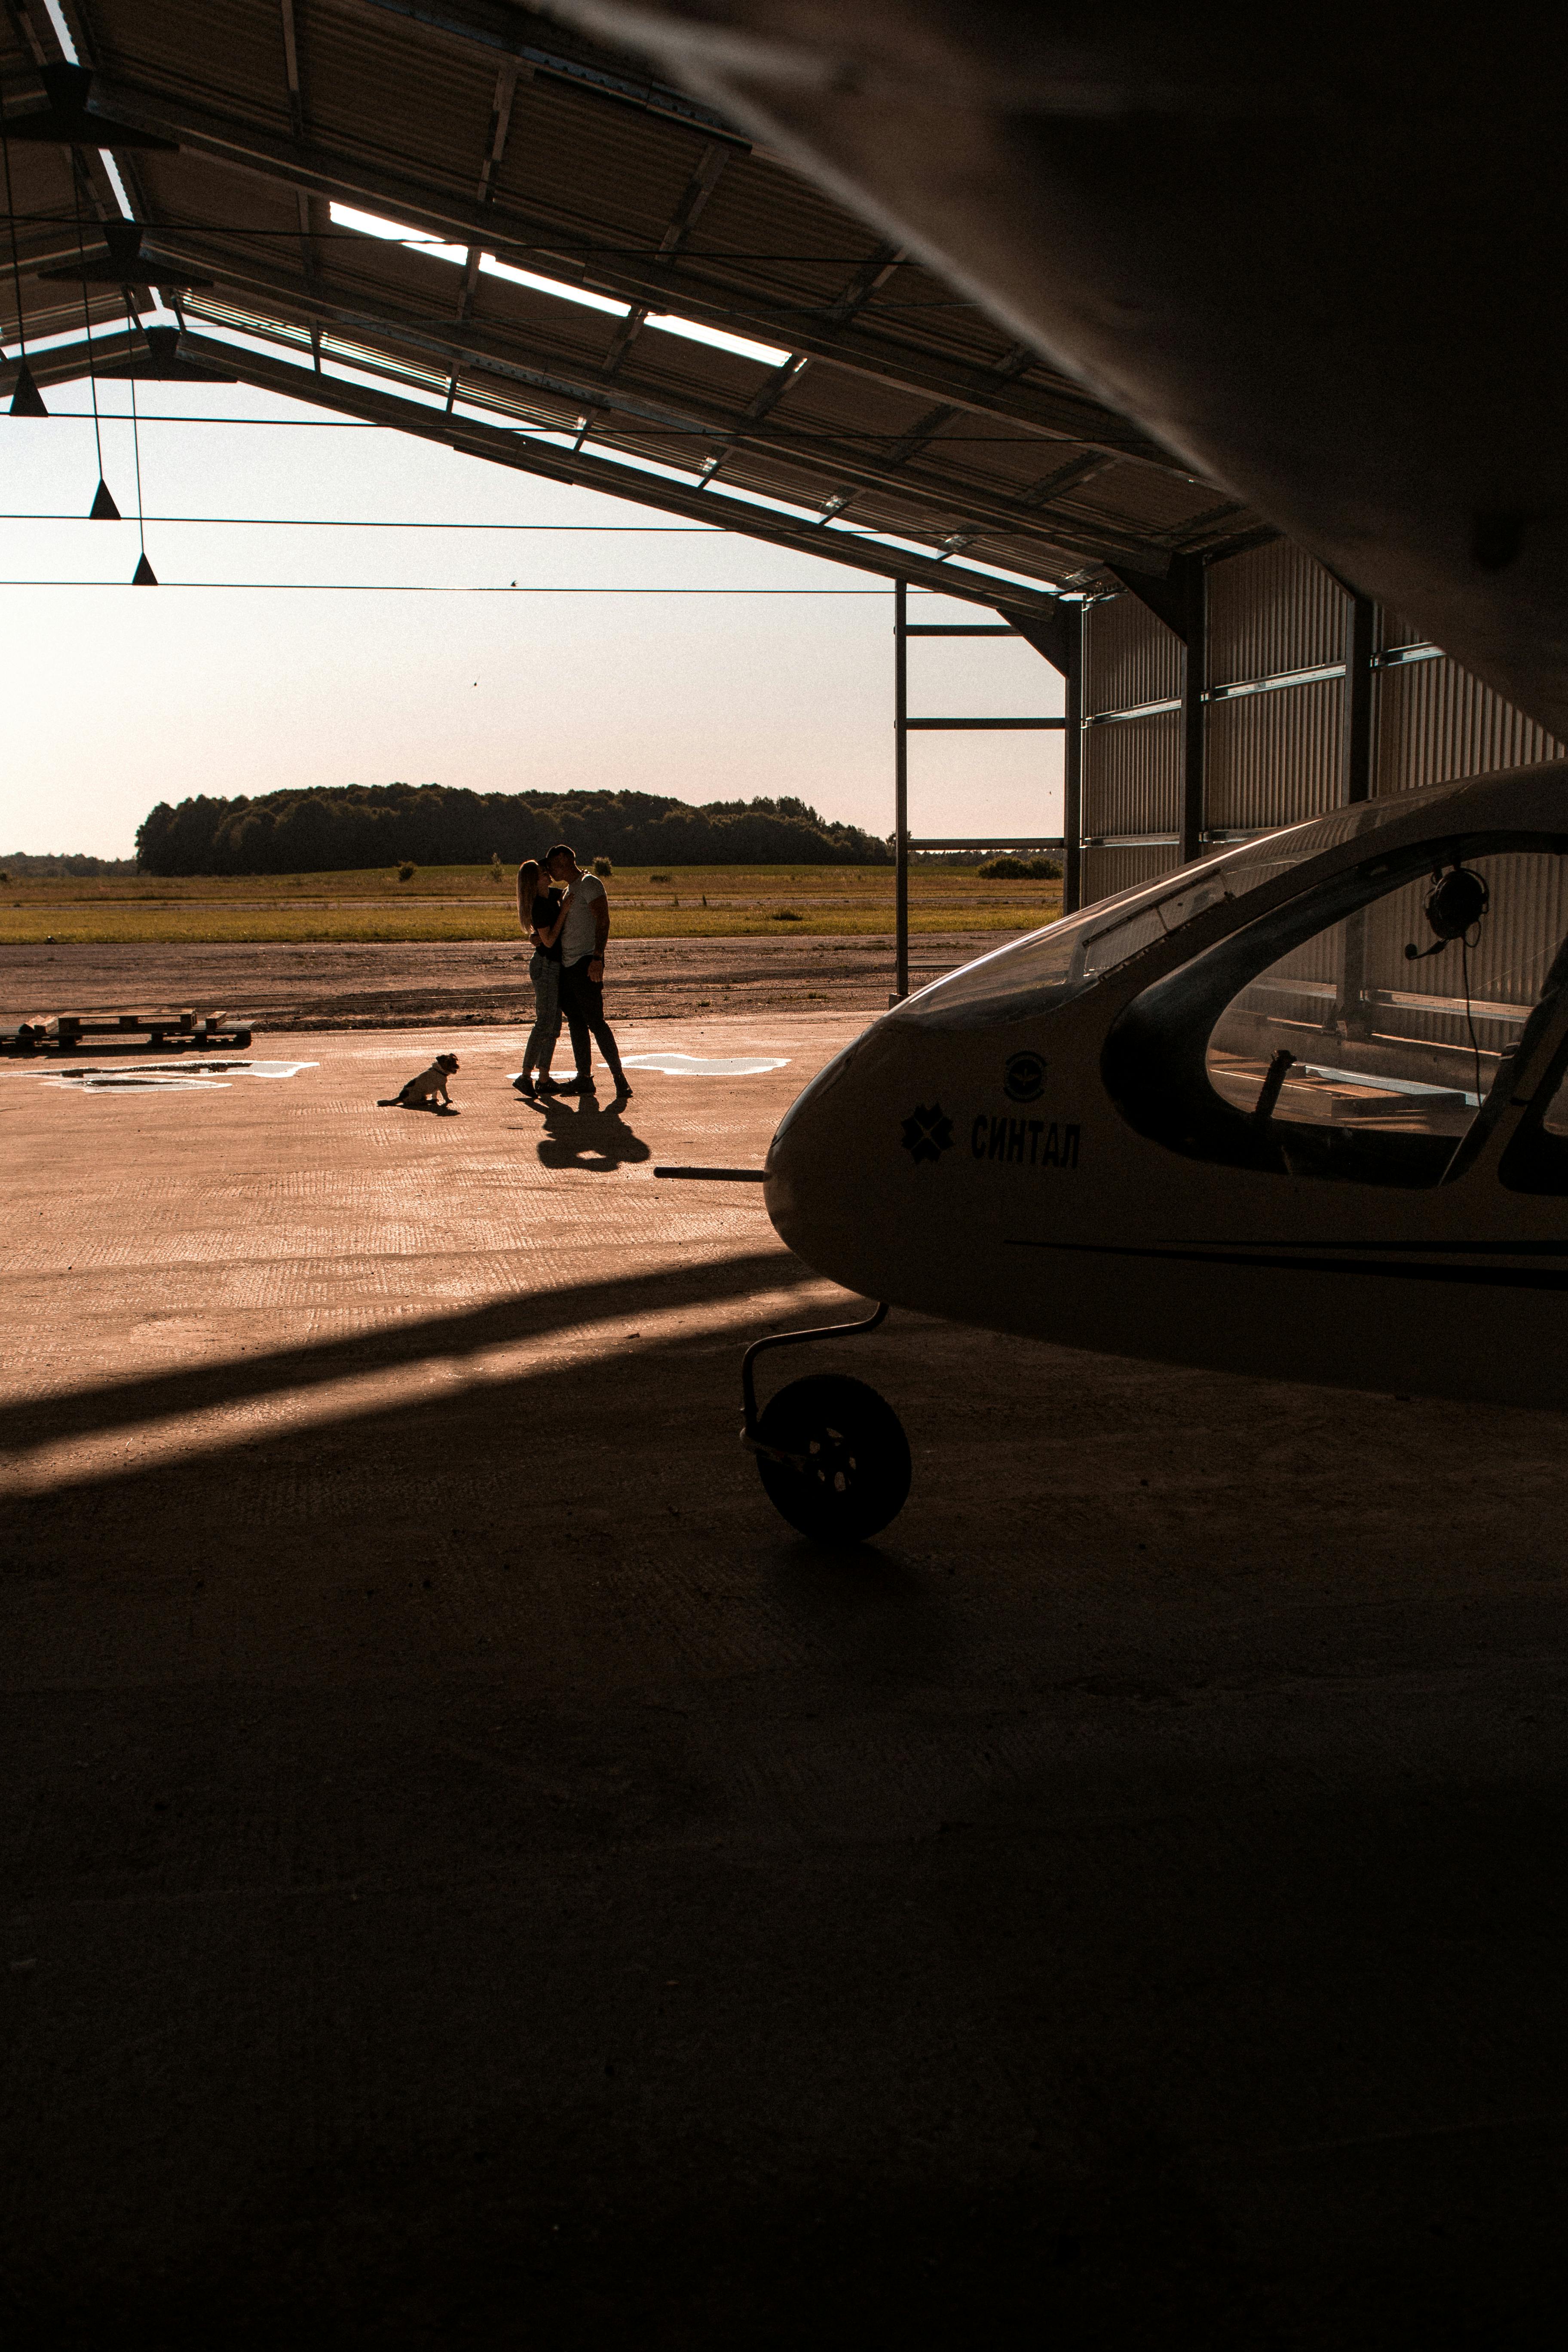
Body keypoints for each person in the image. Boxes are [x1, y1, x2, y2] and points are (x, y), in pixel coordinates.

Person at [545, 842, 631, 1097]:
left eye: (551, 865)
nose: (550, 871)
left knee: (596, 1021)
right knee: (576, 1023)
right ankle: (584, 1077)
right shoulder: (569, 890)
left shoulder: (589, 883)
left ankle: (619, 1078)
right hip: (568, 965)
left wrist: (598, 958)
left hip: (586, 962)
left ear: (563, 858)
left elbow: (603, 920)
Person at [514, 855, 570, 1097]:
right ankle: (526, 1076)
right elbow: (548, 940)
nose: (547, 874)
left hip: (553, 966)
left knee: (554, 1024)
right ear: (533, 882)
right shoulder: (540, 905)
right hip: (546, 965)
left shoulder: (551, 896)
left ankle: (544, 1077)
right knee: (545, 1022)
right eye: (542, 873)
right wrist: (564, 913)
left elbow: (570, 888)